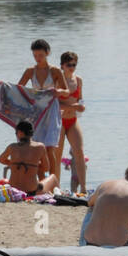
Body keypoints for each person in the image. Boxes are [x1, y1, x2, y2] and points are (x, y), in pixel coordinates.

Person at [16, 39, 66, 176]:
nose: (38, 58)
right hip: (37, 111)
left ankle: (53, 180)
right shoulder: (30, 71)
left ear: (47, 53)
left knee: (50, 148)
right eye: (35, 56)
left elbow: (66, 90)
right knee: (38, 146)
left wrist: (59, 92)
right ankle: (40, 182)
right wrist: (5, 87)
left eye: (40, 55)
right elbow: (18, 89)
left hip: (51, 110)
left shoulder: (55, 71)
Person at [80, 158, 128, 246]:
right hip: (117, 248)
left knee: (93, 207)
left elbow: (89, 203)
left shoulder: (105, 184)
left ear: (127, 173)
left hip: (87, 243)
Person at [0, 120, 58, 195]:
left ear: (20, 133)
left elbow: (1, 160)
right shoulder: (40, 147)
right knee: (53, 178)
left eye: (16, 132)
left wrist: (14, 163)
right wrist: (34, 164)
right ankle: (57, 194)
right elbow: (46, 168)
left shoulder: (12, 147)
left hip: (13, 190)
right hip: (31, 191)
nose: (16, 134)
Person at [55, 51, 86, 192]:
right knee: (57, 154)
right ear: (62, 65)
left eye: (74, 64)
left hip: (72, 120)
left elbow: (80, 99)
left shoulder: (78, 80)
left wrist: (81, 106)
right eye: (69, 65)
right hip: (59, 121)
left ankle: (83, 188)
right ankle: (56, 187)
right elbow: (53, 104)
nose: (72, 67)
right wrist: (72, 106)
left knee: (79, 152)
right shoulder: (57, 80)